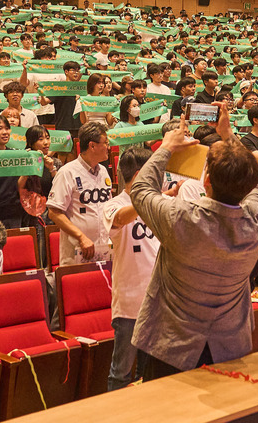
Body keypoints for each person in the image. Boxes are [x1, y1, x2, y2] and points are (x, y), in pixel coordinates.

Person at [129, 105, 258, 379]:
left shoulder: (180, 217)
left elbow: (140, 189)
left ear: (206, 182)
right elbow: (254, 182)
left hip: (172, 345)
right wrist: (228, 135)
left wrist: (166, 147)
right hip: (230, 344)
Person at [102, 146, 158, 390]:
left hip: (157, 300)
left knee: (150, 373)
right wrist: (146, 198)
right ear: (139, 175)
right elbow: (120, 218)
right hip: (129, 303)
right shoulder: (113, 204)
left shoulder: (158, 202)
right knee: (121, 373)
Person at [47, 120, 114, 265]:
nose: (109, 147)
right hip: (77, 253)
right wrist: (81, 237)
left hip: (103, 249)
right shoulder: (67, 172)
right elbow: (53, 212)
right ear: (92, 146)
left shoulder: (103, 171)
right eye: (105, 143)